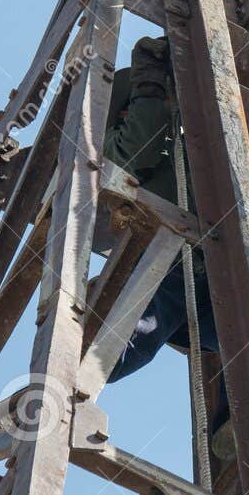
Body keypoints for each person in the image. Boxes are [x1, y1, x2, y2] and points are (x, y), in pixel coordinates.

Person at [101, 35, 233, 457]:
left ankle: (235, 428)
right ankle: (81, 366)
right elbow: (142, 138)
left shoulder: (195, 142)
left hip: (216, 278)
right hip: (167, 269)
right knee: (133, 336)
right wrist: (148, 83)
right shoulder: (113, 147)